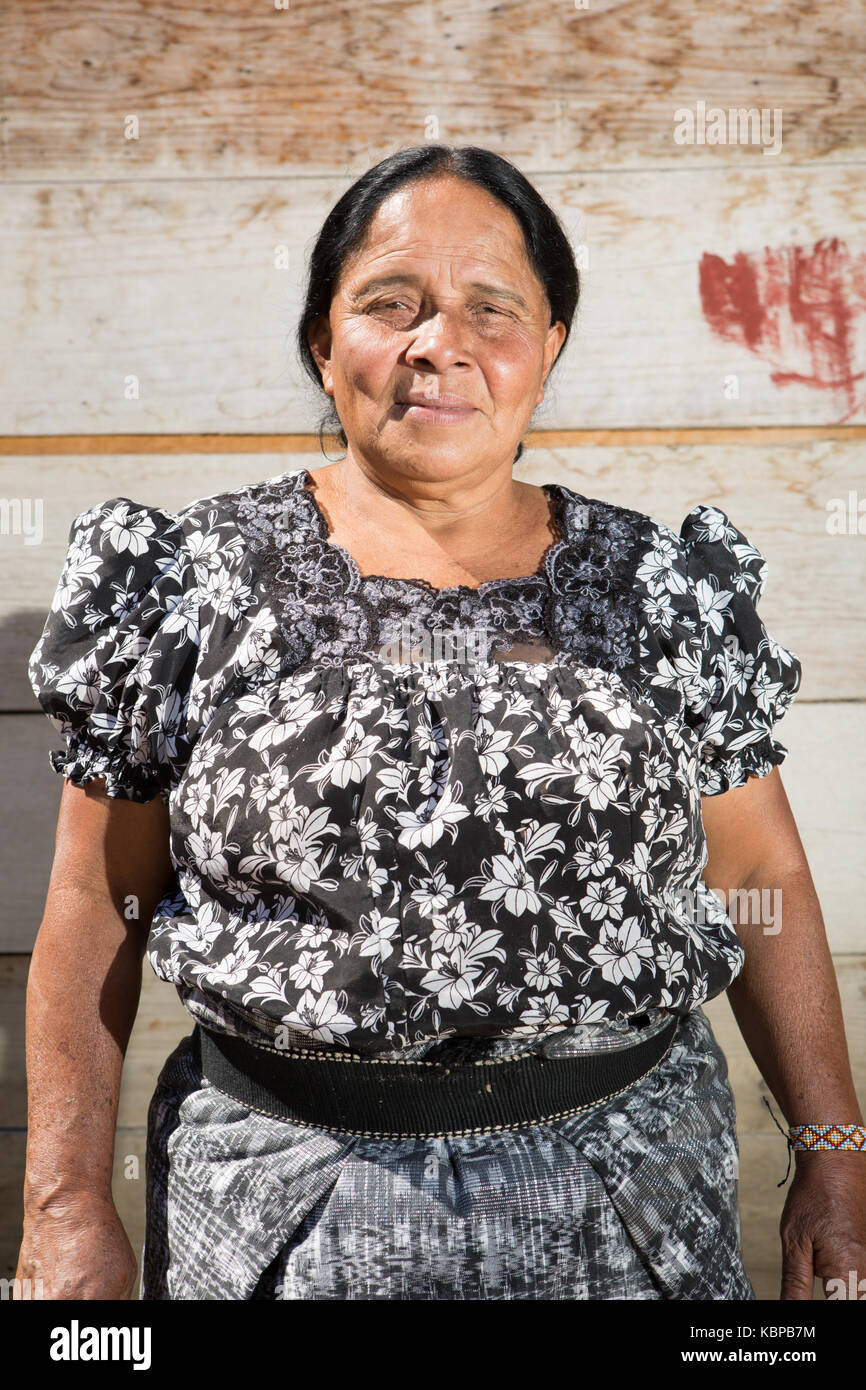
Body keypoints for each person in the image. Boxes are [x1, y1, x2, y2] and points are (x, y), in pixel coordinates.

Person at [18, 144, 866, 1301]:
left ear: (549, 345)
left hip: (628, 1212)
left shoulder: (655, 588)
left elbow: (756, 865)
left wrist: (832, 1162)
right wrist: (67, 1200)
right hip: (276, 1210)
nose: (437, 343)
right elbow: (93, 894)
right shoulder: (193, 581)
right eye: (389, 303)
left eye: (490, 308)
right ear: (324, 341)